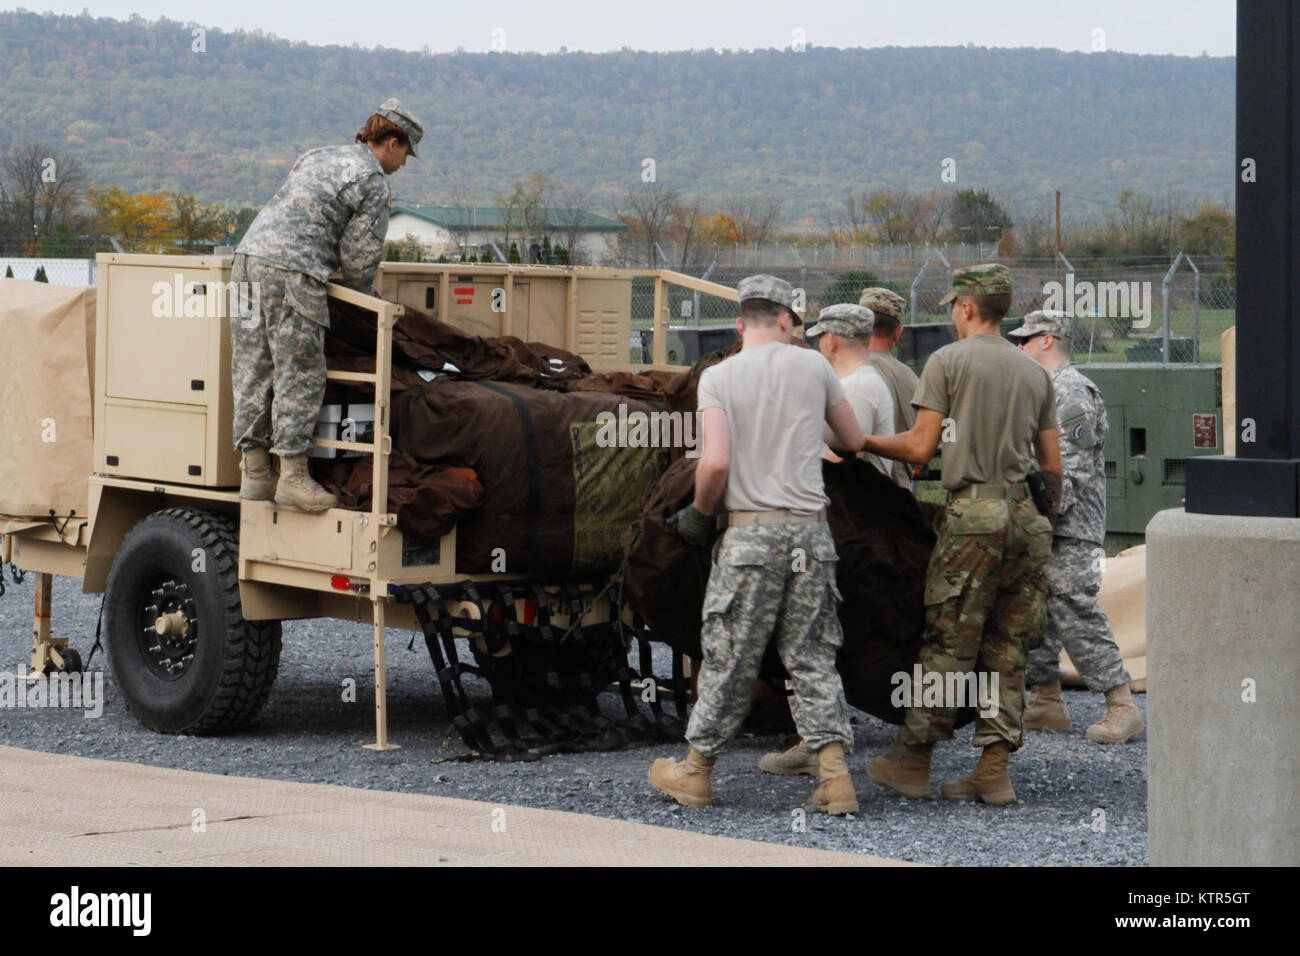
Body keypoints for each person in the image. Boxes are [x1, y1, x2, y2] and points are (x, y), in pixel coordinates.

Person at [648, 274, 867, 816]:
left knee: (729, 658)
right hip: (811, 534)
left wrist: (700, 516)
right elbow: (854, 441)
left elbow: (716, 462)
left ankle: (696, 773)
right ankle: (836, 779)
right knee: (813, 656)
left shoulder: (720, 377)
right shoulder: (815, 366)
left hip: (751, 535)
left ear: (739, 323)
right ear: (788, 320)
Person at [860, 264, 1061, 806]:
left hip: (973, 517)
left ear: (967, 307)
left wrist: (863, 440)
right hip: (1027, 520)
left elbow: (921, 448)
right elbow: (1053, 468)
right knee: (1008, 646)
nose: (951, 314)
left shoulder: (947, 361)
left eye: (953, 305)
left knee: (949, 641)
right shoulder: (1034, 372)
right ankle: (992, 770)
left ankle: (914, 760)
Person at [231, 97, 423, 511]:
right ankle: (294, 478)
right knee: (299, 372)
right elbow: (358, 261)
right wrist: (362, 293)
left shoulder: (317, 156)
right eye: (406, 152)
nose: (404, 163)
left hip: (246, 262)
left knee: (252, 367)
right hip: (293, 273)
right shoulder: (372, 181)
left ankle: (256, 475)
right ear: (391, 141)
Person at [754, 302, 897, 780]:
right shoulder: (868, 381)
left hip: (845, 534)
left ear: (833, 339)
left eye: (820, 338)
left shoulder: (855, 388)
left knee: (809, 637)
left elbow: (838, 457)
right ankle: (821, 737)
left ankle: (817, 742)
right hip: (854, 532)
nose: (817, 344)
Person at [1007, 310, 1144, 744]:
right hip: (1047, 521)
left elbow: (1070, 472)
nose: (1019, 348)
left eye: (1025, 340)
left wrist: (1036, 514)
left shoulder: (1071, 391)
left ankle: (1122, 704)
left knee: (1074, 605)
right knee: (1040, 606)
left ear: (1048, 340)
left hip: (1070, 525)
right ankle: (1047, 699)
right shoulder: (1045, 389)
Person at [860, 287, 920, 489]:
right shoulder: (912, 379)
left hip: (857, 495)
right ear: (898, 332)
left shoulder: (850, 370)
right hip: (901, 496)